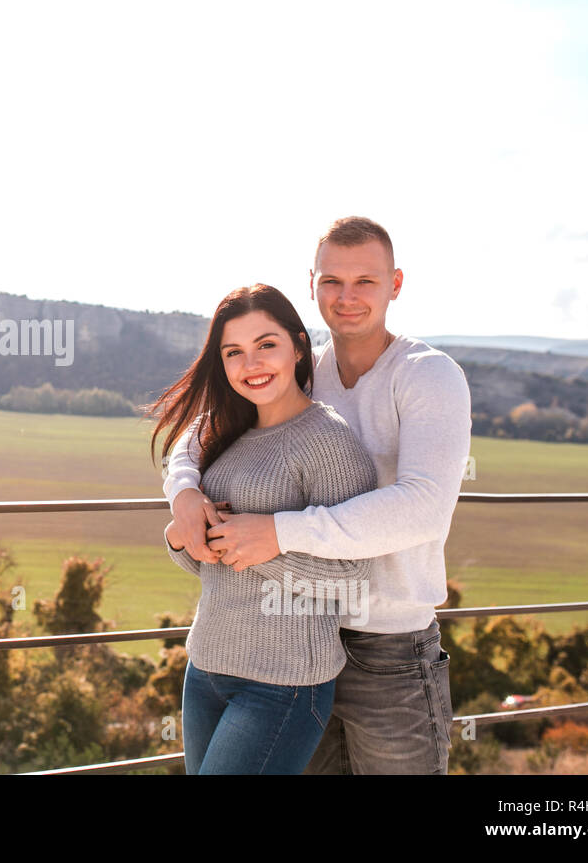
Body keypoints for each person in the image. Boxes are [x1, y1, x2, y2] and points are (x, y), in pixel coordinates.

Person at [164, 216, 472, 774]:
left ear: (396, 284)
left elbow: (424, 506)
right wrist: (184, 493)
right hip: (295, 641)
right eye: (332, 281)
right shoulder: (304, 370)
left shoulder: (428, 376)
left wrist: (279, 532)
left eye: (366, 282)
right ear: (312, 284)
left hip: (389, 645)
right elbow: (200, 432)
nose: (346, 297)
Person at [151, 282, 378, 774]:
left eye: (266, 345)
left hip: (283, 684)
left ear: (298, 346)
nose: (251, 364)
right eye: (234, 352)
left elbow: (354, 578)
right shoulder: (227, 431)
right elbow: (215, 561)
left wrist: (266, 546)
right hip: (206, 668)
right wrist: (180, 533)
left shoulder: (328, 442)